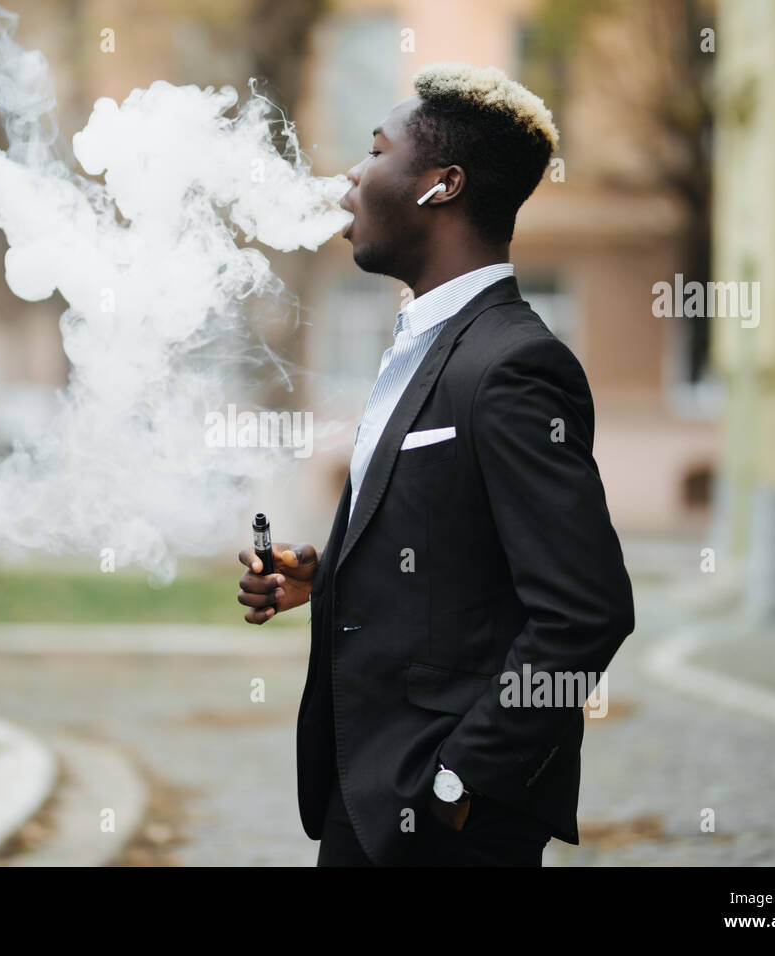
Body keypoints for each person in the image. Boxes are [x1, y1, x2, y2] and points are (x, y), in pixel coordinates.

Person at [237, 62, 635, 866]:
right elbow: (462, 546)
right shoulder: (423, 347)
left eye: (376, 150)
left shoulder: (515, 365)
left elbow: (585, 613)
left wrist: (462, 781)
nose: (351, 172)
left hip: (442, 813)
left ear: (440, 185)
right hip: (372, 788)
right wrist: (334, 573)